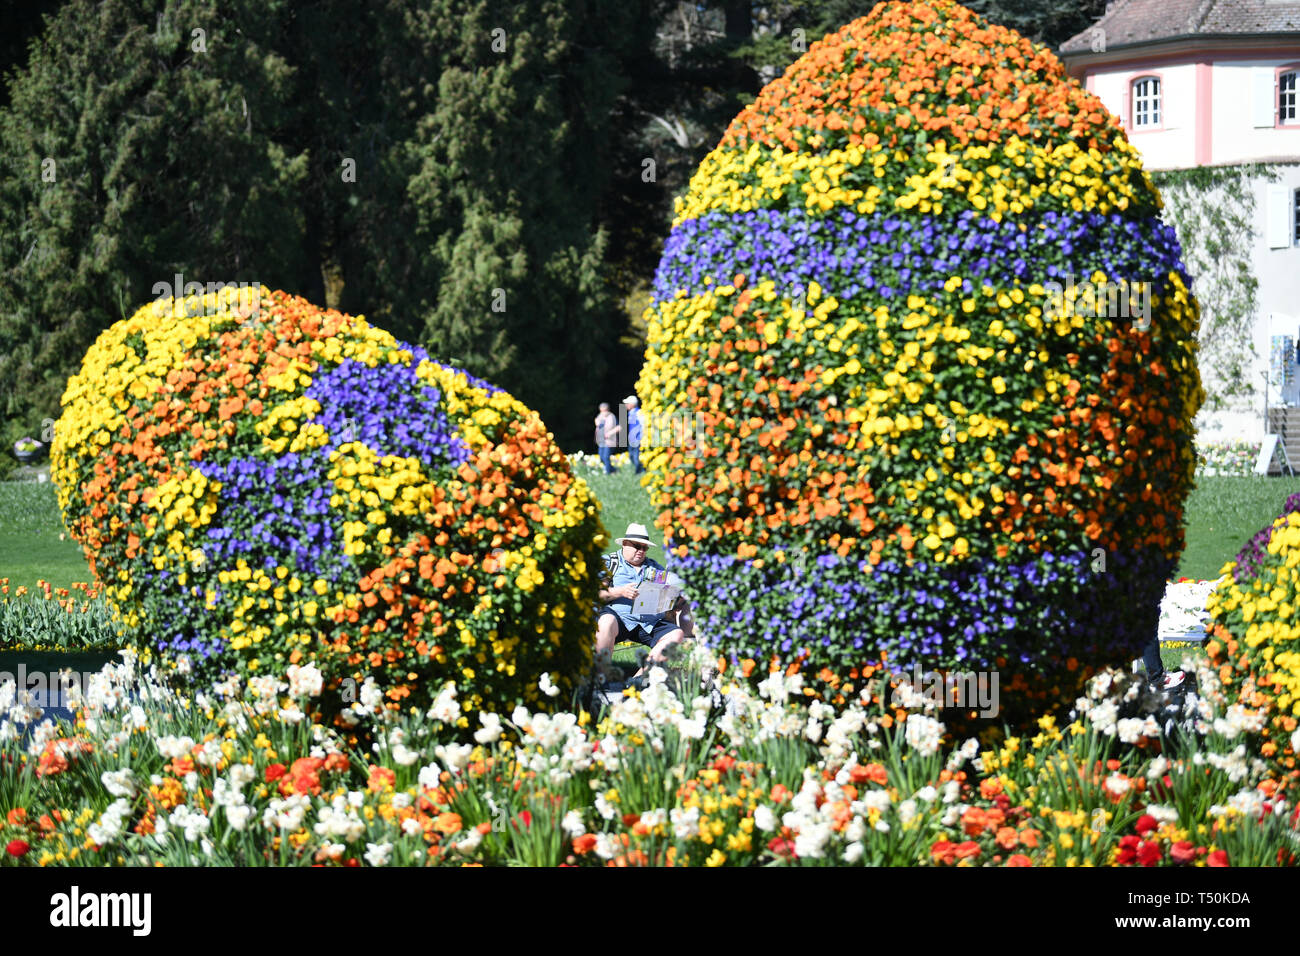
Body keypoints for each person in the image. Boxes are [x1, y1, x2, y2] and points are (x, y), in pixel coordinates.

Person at [594, 523, 689, 684]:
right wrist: (620, 592)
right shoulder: (610, 563)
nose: (641, 551)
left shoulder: (654, 568)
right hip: (619, 618)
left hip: (648, 621)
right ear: (625, 544)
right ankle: (600, 680)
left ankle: (638, 681)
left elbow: (671, 592)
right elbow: (596, 594)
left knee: (676, 635)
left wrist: (675, 597)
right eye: (637, 546)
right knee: (606, 622)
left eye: (644, 548)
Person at [594, 402, 619, 474]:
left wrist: (610, 433)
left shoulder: (612, 417)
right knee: (601, 458)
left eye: (605, 410)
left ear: (608, 409)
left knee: (606, 457)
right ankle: (613, 470)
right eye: (601, 411)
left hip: (610, 441)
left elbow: (619, 427)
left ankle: (608, 473)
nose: (603, 412)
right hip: (601, 441)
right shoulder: (599, 417)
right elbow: (599, 426)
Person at [623, 395, 644, 474]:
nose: (626, 405)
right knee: (631, 456)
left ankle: (640, 472)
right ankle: (639, 471)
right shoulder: (630, 413)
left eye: (627, 403)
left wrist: (642, 437)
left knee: (636, 456)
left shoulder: (639, 412)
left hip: (638, 438)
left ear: (632, 404)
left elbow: (643, 425)